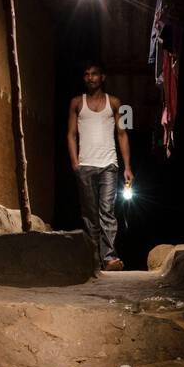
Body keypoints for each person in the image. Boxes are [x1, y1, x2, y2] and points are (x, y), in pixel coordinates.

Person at [67, 61, 133, 271]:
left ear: (102, 77)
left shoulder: (114, 102)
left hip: (108, 165)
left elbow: (122, 134)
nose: (90, 77)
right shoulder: (77, 102)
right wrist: (75, 163)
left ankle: (109, 258)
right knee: (89, 214)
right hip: (85, 165)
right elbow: (70, 134)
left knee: (107, 212)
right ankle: (93, 258)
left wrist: (127, 167)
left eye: (94, 74)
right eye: (86, 74)